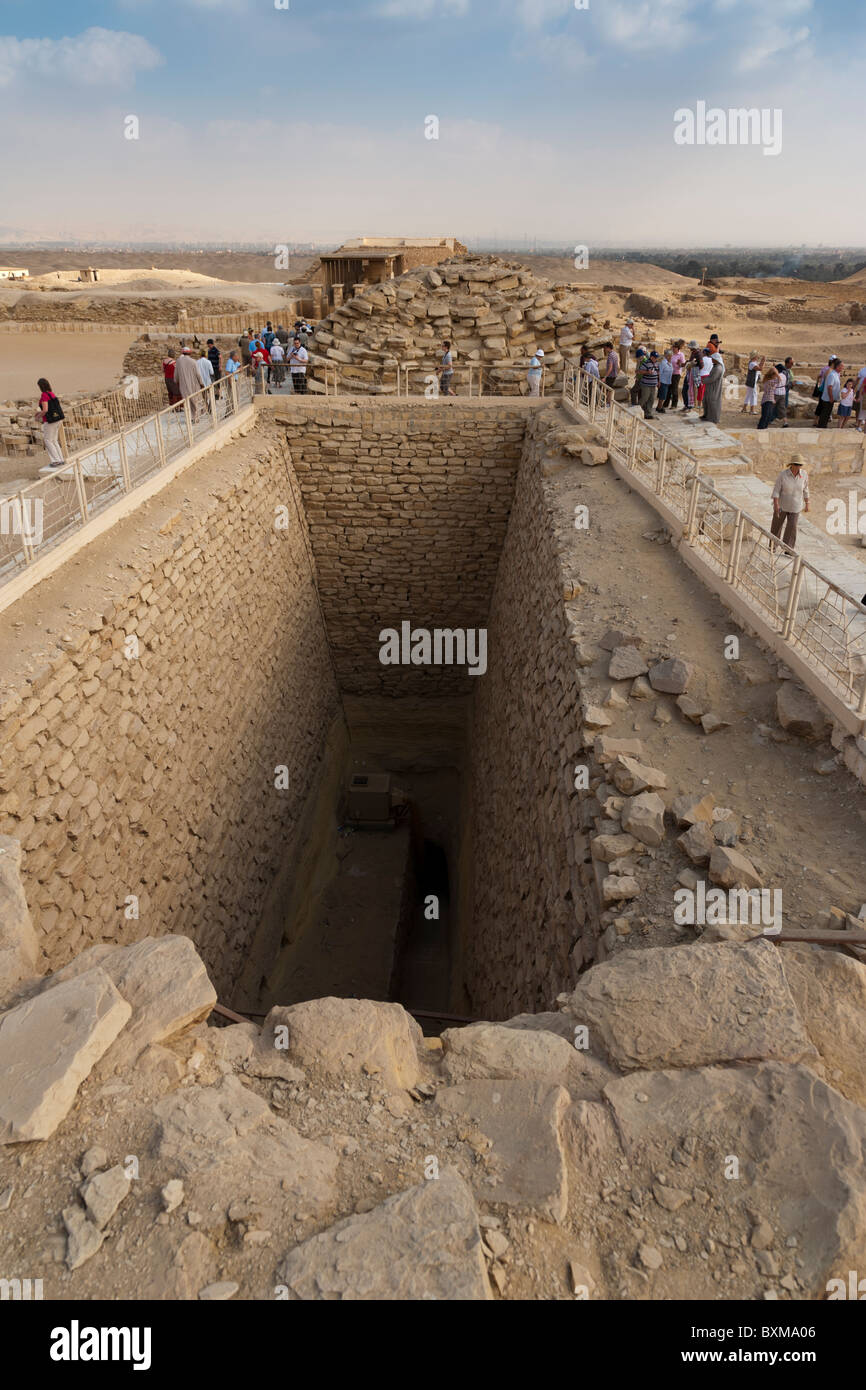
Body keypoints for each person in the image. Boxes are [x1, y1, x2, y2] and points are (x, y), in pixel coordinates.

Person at [770, 454, 809, 551]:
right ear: (791, 464)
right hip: (782, 505)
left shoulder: (804, 475)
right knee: (776, 526)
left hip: (796, 506)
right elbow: (776, 490)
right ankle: (772, 546)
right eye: (796, 464)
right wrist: (776, 505)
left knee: (792, 528)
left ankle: (788, 549)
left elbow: (806, 489)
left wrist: (807, 503)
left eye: (800, 465)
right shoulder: (783, 475)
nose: (798, 466)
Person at [35, 377, 65, 468]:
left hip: (50, 421)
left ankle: (56, 460)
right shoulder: (51, 394)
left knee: (47, 440)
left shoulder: (44, 395)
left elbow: (45, 410)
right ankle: (60, 459)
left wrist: (38, 416)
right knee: (54, 440)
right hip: (58, 419)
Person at [174, 346, 203, 419]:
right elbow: (198, 374)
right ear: (190, 353)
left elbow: (176, 375)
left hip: (183, 385)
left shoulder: (178, 361)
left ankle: (190, 417)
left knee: (187, 402)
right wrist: (201, 383)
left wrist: (176, 381)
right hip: (194, 384)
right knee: (195, 401)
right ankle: (196, 417)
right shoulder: (193, 361)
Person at [817, 357, 842, 429]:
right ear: (837, 367)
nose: (843, 367)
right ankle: (821, 427)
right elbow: (829, 387)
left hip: (831, 398)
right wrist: (831, 397)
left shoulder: (836, 374)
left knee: (827, 414)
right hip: (828, 398)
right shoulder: (832, 374)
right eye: (841, 366)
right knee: (825, 414)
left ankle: (823, 426)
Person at [702, 348, 724, 424]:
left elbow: (712, 378)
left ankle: (713, 418)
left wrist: (704, 380)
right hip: (710, 387)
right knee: (706, 401)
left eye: (712, 359)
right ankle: (707, 416)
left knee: (713, 402)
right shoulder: (715, 366)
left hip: (714, 388)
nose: (711, 360)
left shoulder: (718, 368)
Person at [758, 363, 782, 429]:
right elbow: (780, 380)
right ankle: (761, 428)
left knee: (767, 416)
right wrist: (776, 372)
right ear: (773, 374)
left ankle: (762, 428)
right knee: (766, 417)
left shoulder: (768, 380)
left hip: (768, 400)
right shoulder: (770, 381)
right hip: (767, 400)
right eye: (775, 374)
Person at [639, 351, 661, 419]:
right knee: (645, 397)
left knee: (651, 399)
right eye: (655, 357)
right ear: (651, 357)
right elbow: (640, 371)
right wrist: (647, 372)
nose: (656, 359)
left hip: (653, 384)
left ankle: (648, 413)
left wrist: (659, 381)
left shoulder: (657, 363)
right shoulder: (646, 363)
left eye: (657, 358)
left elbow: (658, 372)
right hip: (646, 384)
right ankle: (637, 409)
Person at [669, 340, 685, 410]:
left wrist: (679, 364)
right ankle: (666, 403)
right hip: (669, 373)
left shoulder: (681, 355)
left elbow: (683, 365)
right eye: (673, 347)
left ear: (678, 348)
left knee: (674, 389)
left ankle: (674, 404)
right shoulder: (671, 354)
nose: (673, 349)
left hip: (677, 373)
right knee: (669, 388)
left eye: (674, 348)